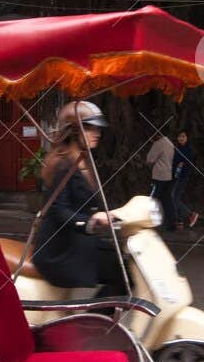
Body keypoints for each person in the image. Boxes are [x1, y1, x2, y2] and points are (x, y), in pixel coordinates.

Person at [32, 101, 124, 295]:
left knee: (126, 262)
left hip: (78, 240)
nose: (97, 133)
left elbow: (91, 203)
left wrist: (116, 214)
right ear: (74, 131)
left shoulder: (83, 161)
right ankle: (99, 315)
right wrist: (90, 222)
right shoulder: (63, 165)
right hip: (60, 249)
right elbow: (59, 210)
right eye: (89, 128)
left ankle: (102, 313)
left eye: (97, 129)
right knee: (122, 273)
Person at [170, 129, 198, 230]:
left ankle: (190, 214)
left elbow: (187, 164)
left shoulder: (188, 150)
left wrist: (181, 165)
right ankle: (180, 220)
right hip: (175, 176)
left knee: (173, 198)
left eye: (183, 136)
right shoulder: (176, 148)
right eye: (179, 136)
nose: (181, 138)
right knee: (175, 198)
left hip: (182, 177)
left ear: (187, 138)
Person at [145, 127, 175, 217]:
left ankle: (151, 219)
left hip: (159, 176)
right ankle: (171, 220)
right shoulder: (170, 143)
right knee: (167, 199)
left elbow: (149, 160)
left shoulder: (158, 144)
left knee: (153, 198)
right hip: (168, 176)